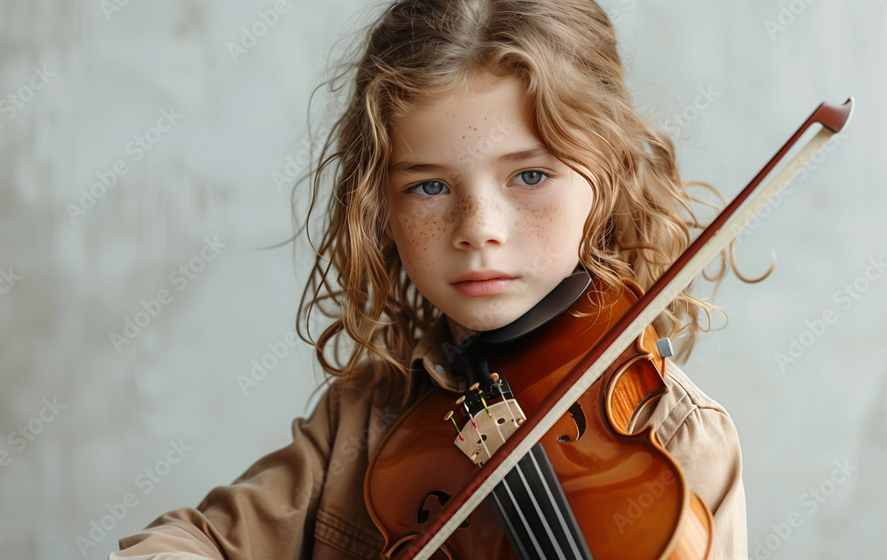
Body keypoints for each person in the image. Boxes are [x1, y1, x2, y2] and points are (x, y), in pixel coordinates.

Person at [112, 0, 748, 558]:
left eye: (529, 176)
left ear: (608, 178)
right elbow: (186, 541)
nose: (478, 228)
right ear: (379, 207)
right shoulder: (370, 417)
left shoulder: (678, 439)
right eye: (429, 186)